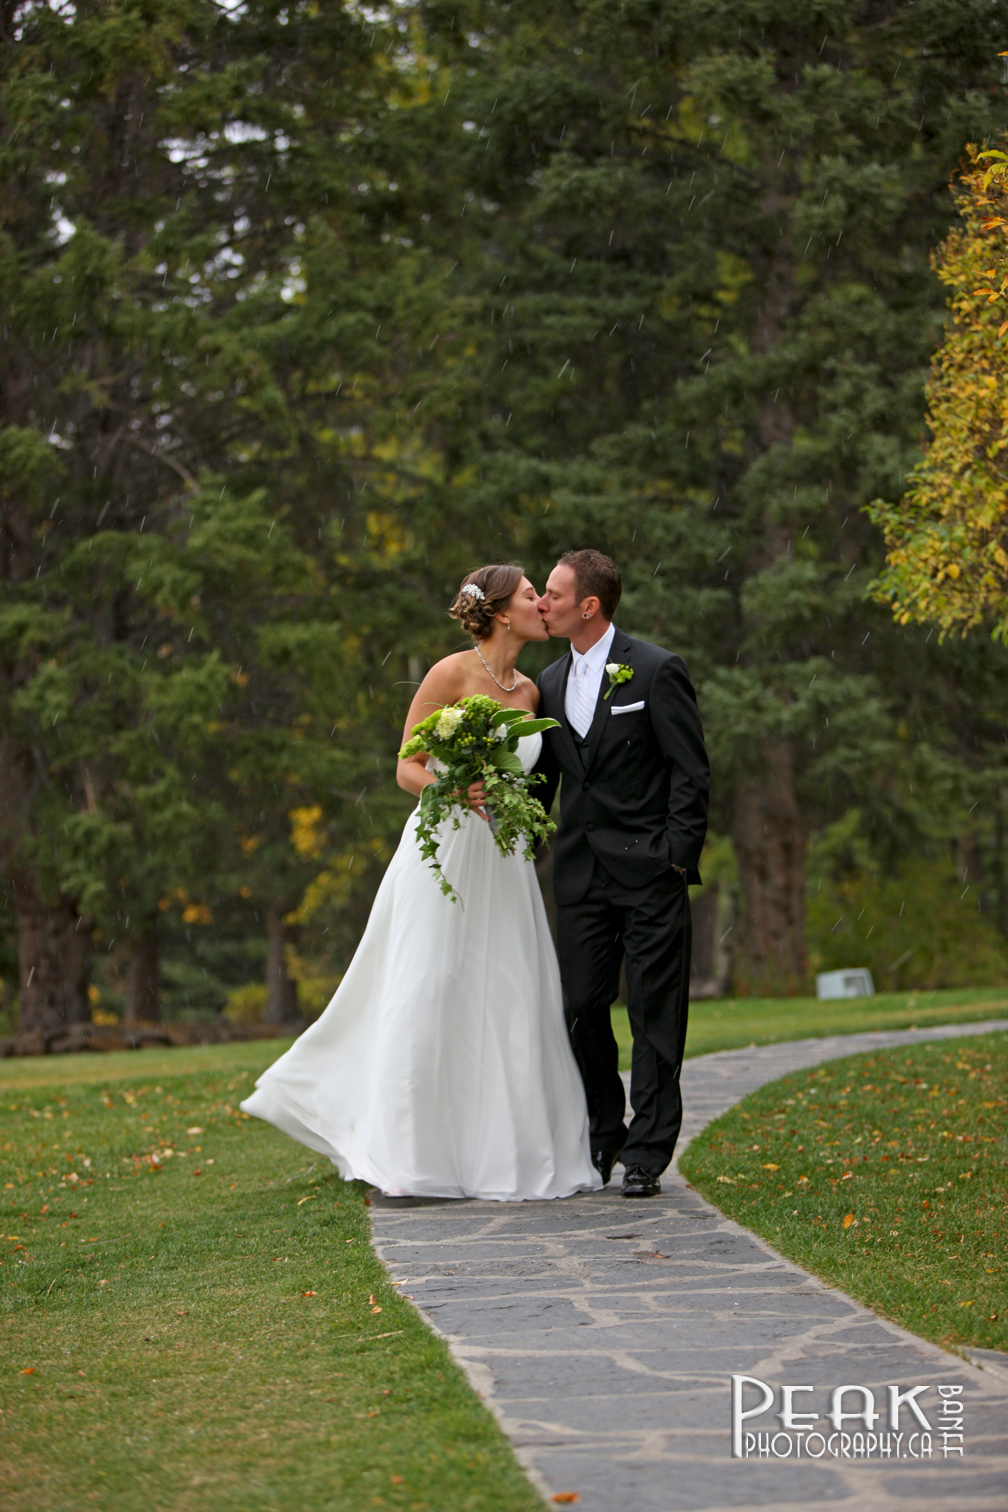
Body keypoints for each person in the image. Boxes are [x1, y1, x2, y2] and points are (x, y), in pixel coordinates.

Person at [241, 563, 599, 1202]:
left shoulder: (531, 692)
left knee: (511, 994)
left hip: (505, 860)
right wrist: (454, 789)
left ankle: (503, 1152)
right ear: (499, 612)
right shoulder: (449, 674)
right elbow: (406, 768)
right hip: (445, 852)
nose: (542, 605)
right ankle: (411, 1152)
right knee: (432, 983)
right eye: (530, 596)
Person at [535, 549, 709, 1197]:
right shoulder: (547, 683)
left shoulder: (658, 670)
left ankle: (647, 1152)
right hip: (580, 878)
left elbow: (690, 771)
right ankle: (603, 1131)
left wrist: (675, 855)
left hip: (650, 873)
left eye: (553, 594)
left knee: (654, 1014)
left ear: (590, 606)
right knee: (581, 1007)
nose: (541, 604)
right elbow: (545, 781)